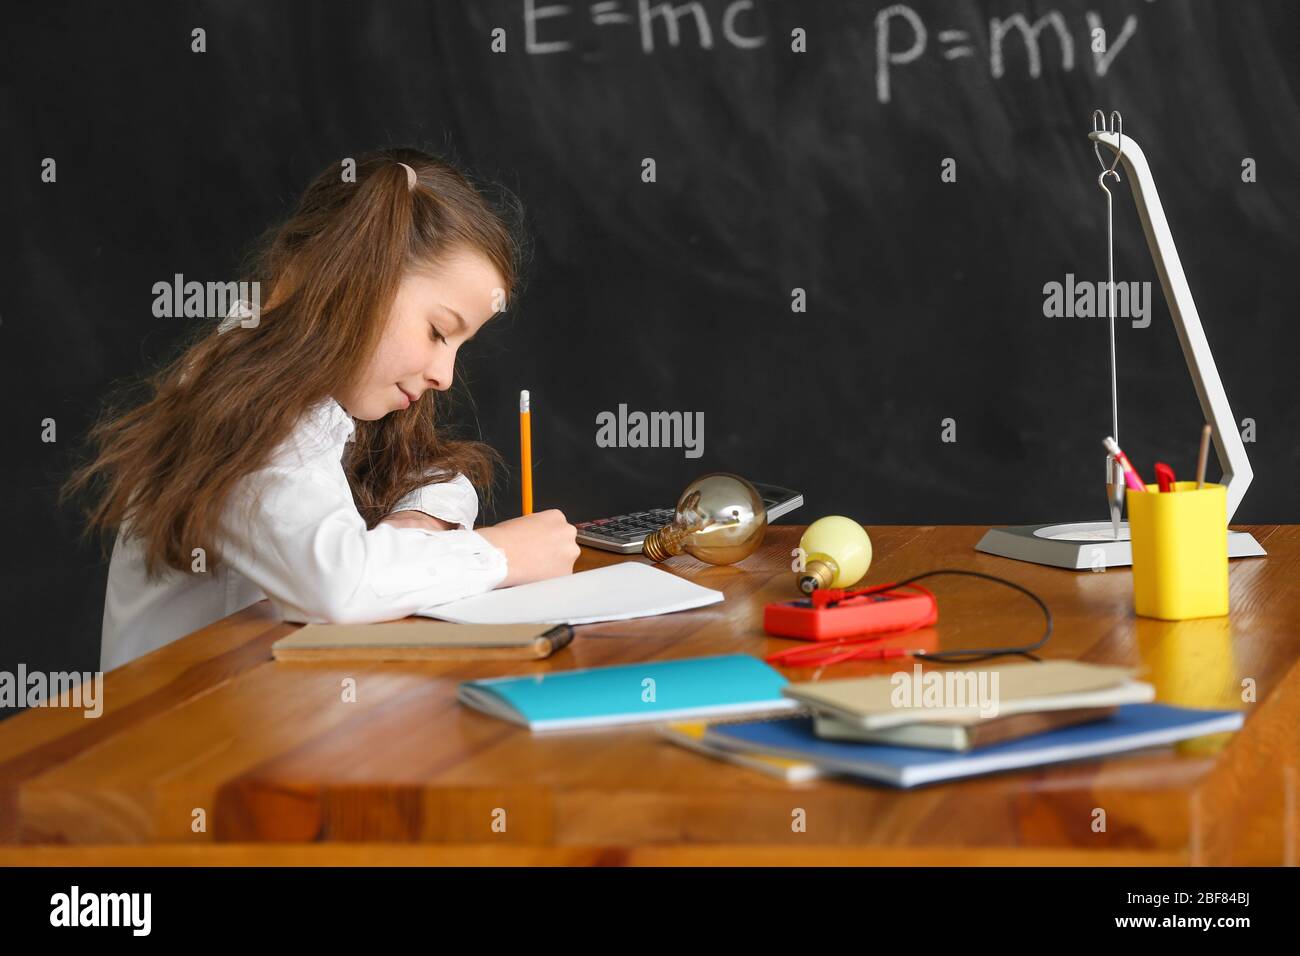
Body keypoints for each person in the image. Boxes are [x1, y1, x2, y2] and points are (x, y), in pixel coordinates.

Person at [62, 148, 579, 671]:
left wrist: (414, 527)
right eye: (438, 332)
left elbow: (440, 476)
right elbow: (336, 584)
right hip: (177, 733)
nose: (445, 376)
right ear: (354, 280)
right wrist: (501, 555)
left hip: (268, 711)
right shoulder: (245, 402)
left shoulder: (333, 392)